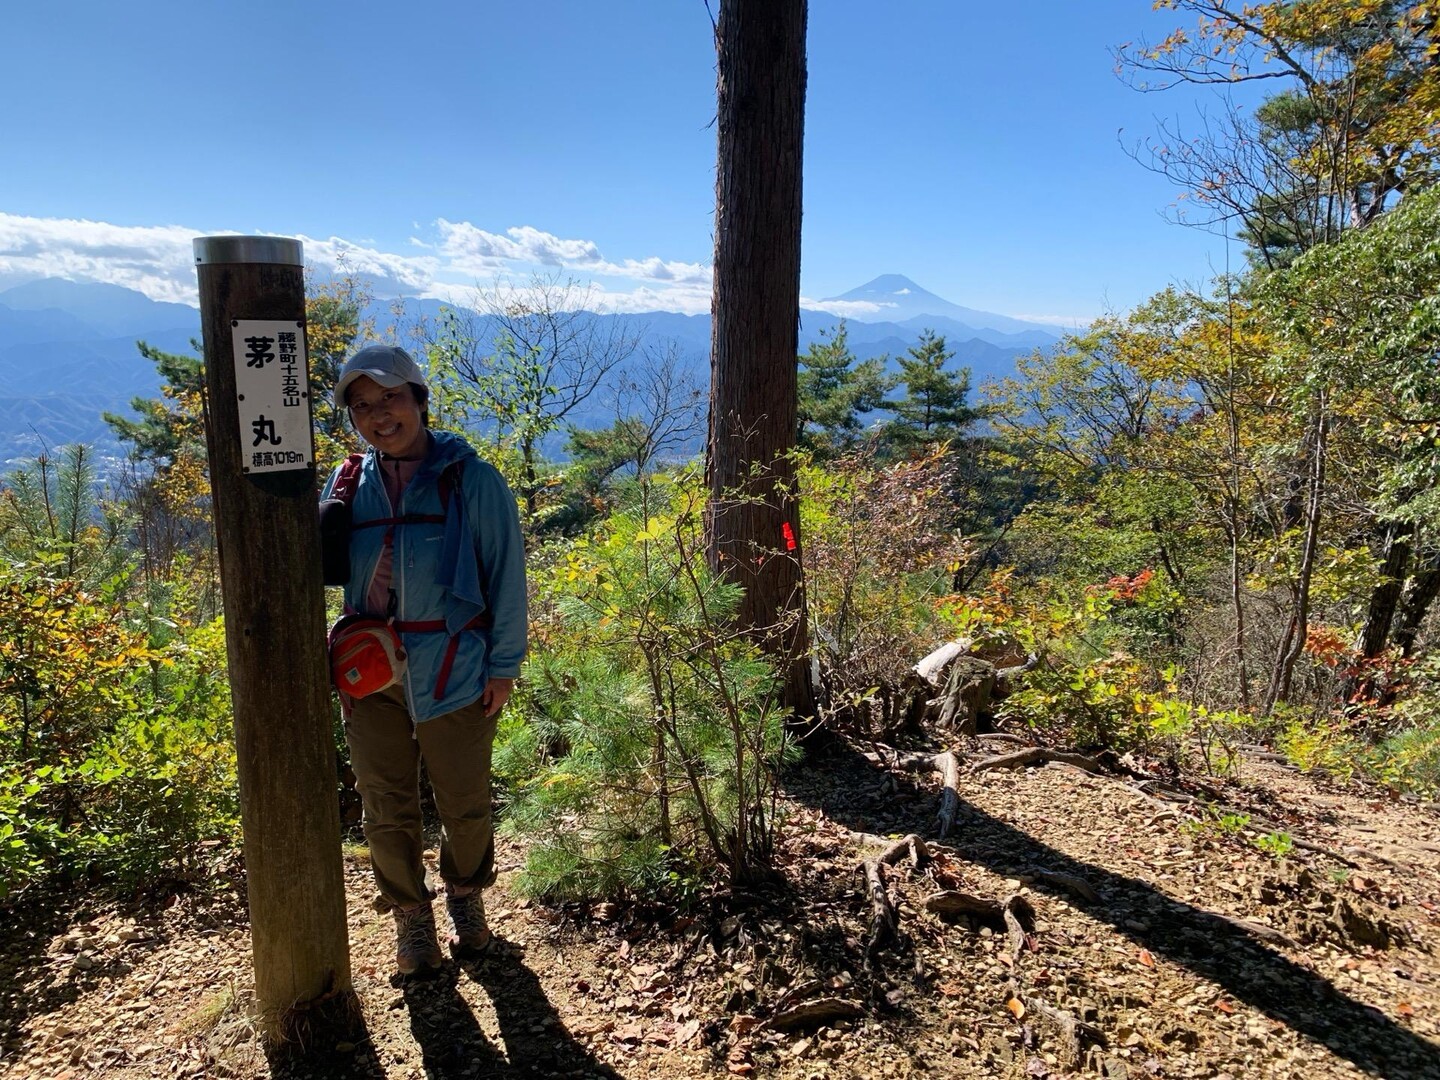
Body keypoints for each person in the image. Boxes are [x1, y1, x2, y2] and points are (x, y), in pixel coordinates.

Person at [322, 344, 527, 976]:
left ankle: (466, 897)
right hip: (369, 673)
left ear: (419, 400)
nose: (379, 416)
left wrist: (503, 667)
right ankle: (411, 917)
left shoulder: (473, 479)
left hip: (454, 667)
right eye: (362, 406)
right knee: (384, 802)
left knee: (463, 803)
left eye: (390, 400)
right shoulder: (349, 483)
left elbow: (506, 577)